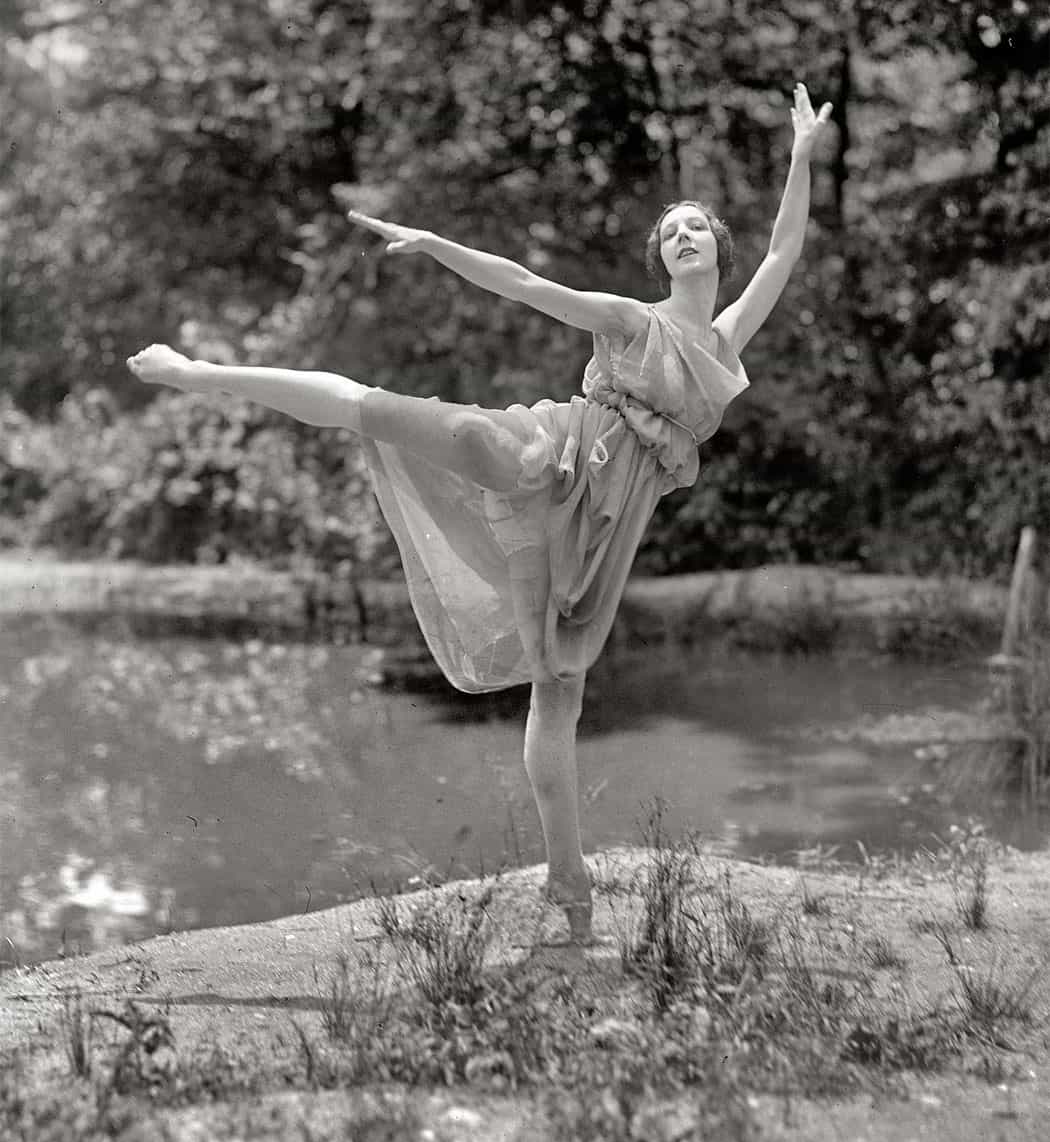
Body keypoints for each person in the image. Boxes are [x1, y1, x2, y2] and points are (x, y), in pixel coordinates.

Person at [128, 82, 833, 945]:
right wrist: (433, 244)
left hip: (605, 530)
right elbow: (527, 282)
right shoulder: (629, 320)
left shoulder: (724, 340)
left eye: (697, 227)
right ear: (662, 258)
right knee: (374, 406)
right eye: (670, 230)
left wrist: (799, 156)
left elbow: (785, 252)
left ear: (717, 248)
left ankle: (568, 889)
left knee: (560, 686)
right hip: (547, 458)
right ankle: (198, 373)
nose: (685, 235)